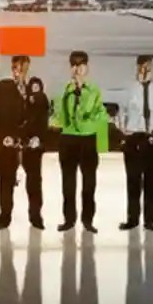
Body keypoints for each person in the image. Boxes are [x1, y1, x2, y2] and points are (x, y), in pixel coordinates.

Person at [51, 50, 106, 233]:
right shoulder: (64, 90)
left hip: (88, 139)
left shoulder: (94, 90)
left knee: (89, 183)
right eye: (74, 65)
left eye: (82, 65)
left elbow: (97, 113)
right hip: (68, 139)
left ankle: (88, 220)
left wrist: (82, 90)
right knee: (68, 183)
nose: (78, 69)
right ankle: (69, 219)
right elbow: (58, 115)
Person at [0, 54, 48, 231]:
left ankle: (36, 216)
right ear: (12, 68)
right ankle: (5, 216)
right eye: (17, 68)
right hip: (9, 143)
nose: (20, 72)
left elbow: (42, 117)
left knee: (34, 182)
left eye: (23, 68)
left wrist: (38, 138)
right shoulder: (2, 89)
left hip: (30, 144)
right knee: (6, 181)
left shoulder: (36, 91)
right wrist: (2, 138)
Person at [117, 55, 153, 231]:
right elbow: (122, 114)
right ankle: (132, 218)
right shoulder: (129, 91)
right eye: (141, 68)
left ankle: (150, 219)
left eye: (148, 68)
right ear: (137, 69)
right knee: (133, 182)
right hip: (135, 139)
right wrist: (124, 133)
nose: (144, 71)